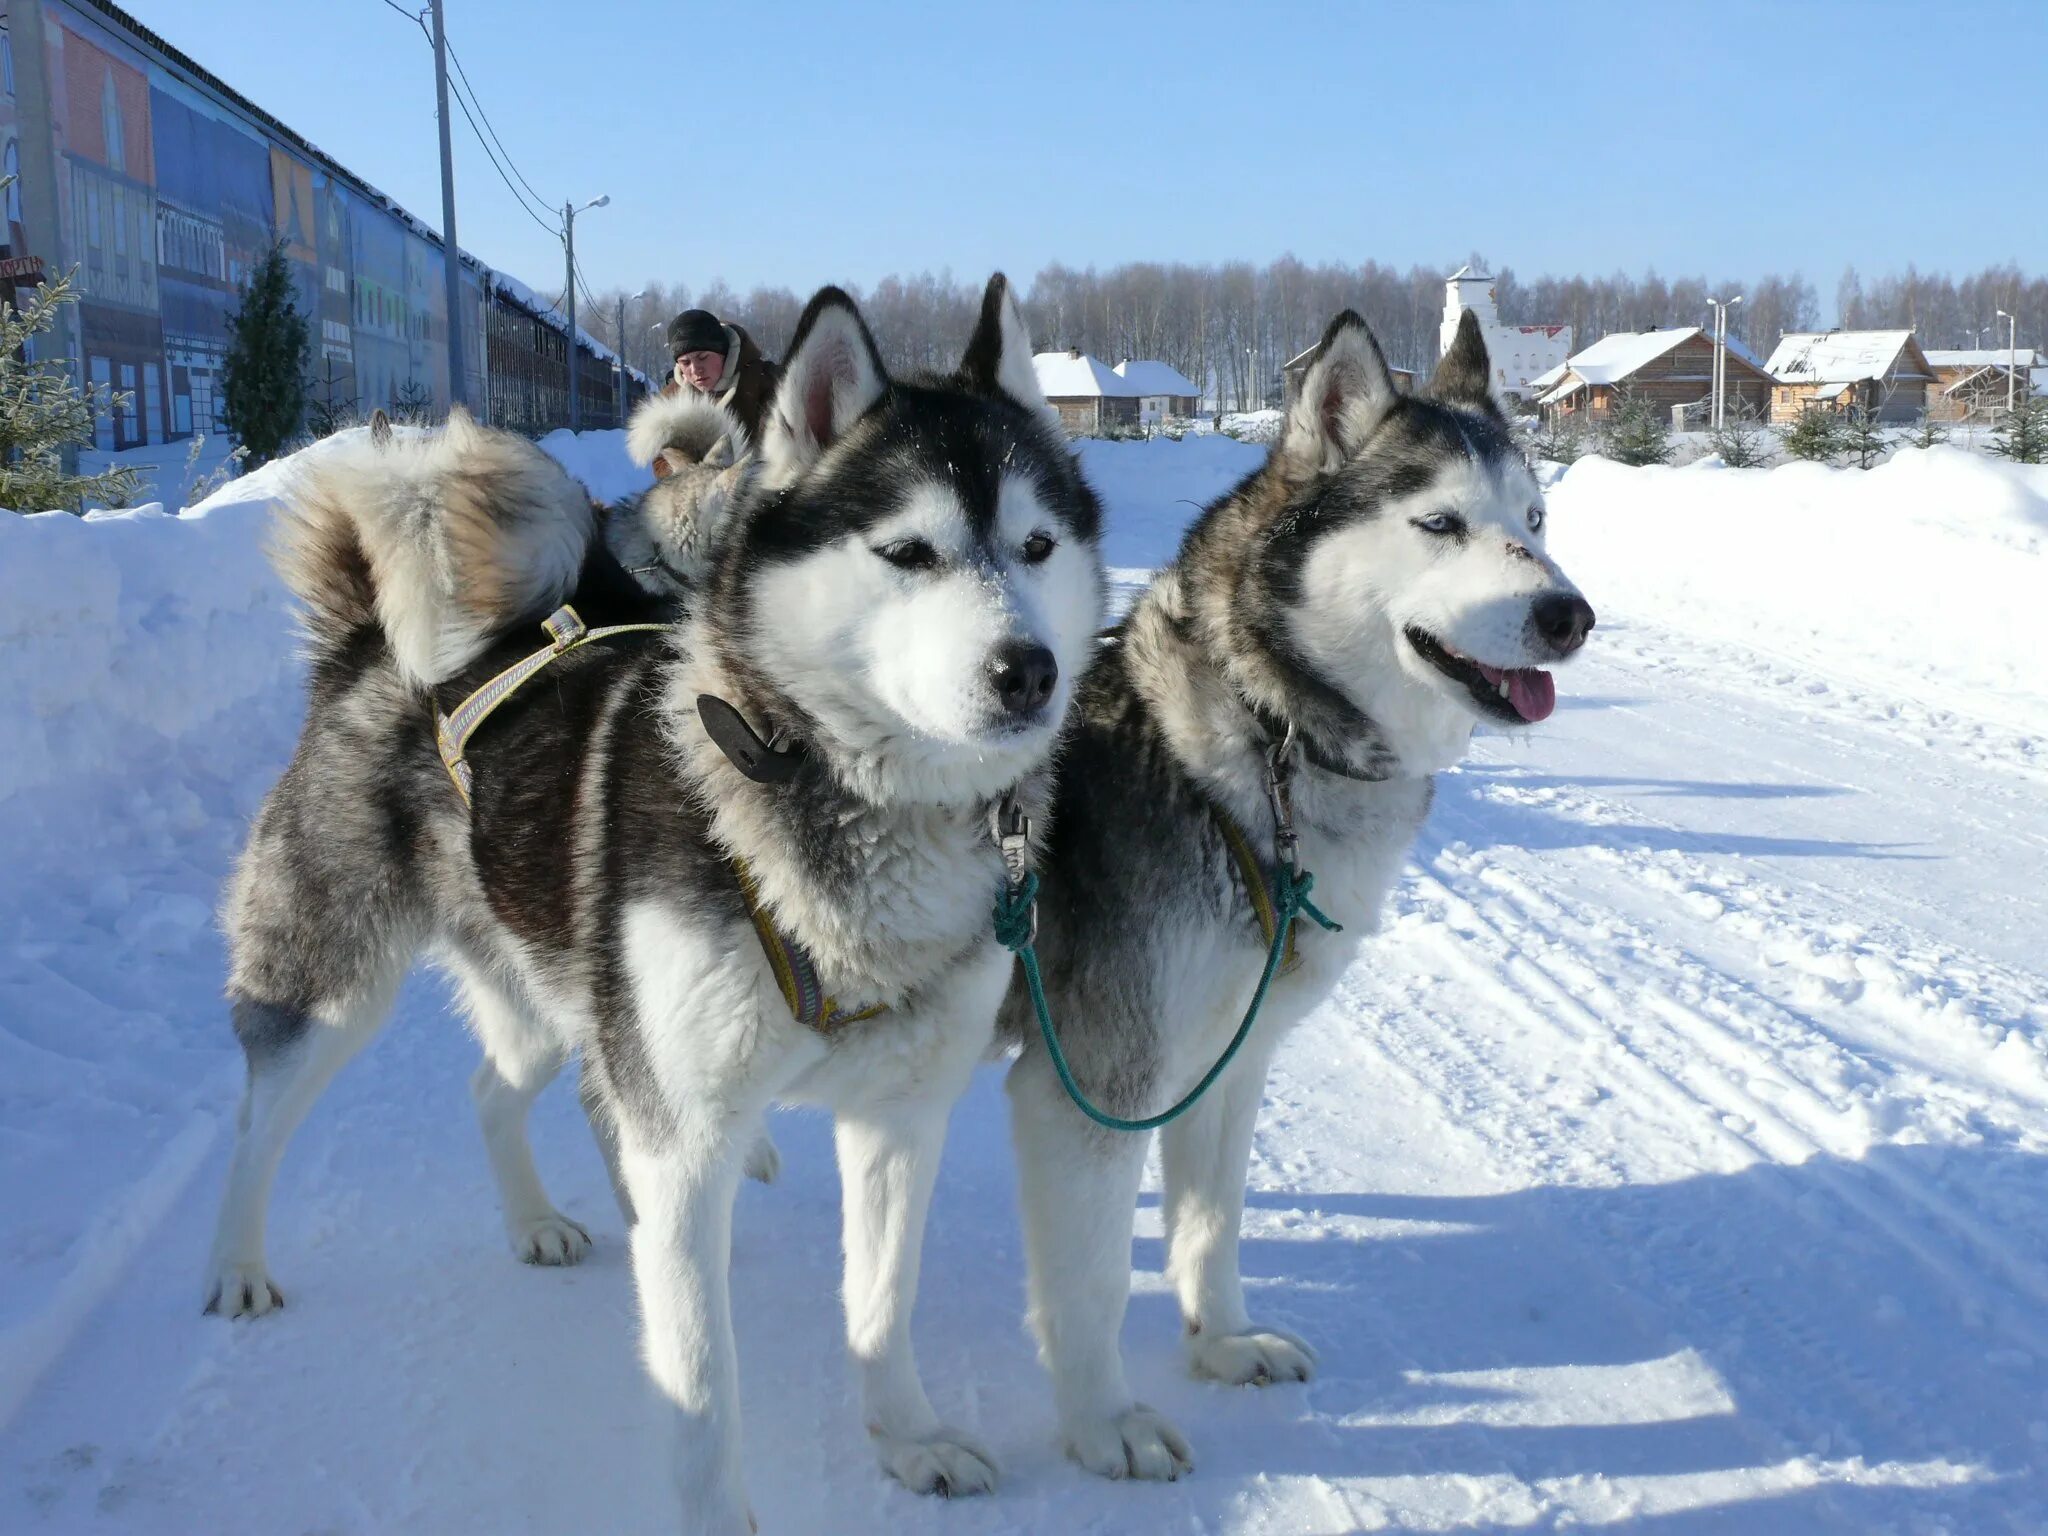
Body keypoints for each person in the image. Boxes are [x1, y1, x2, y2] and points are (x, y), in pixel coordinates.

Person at [661, 308, 779, 446]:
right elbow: (661, 456)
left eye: (703, 357)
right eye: (685, 363)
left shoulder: (768, 382)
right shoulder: (670, 401)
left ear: (723, 352)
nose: (695, 369)